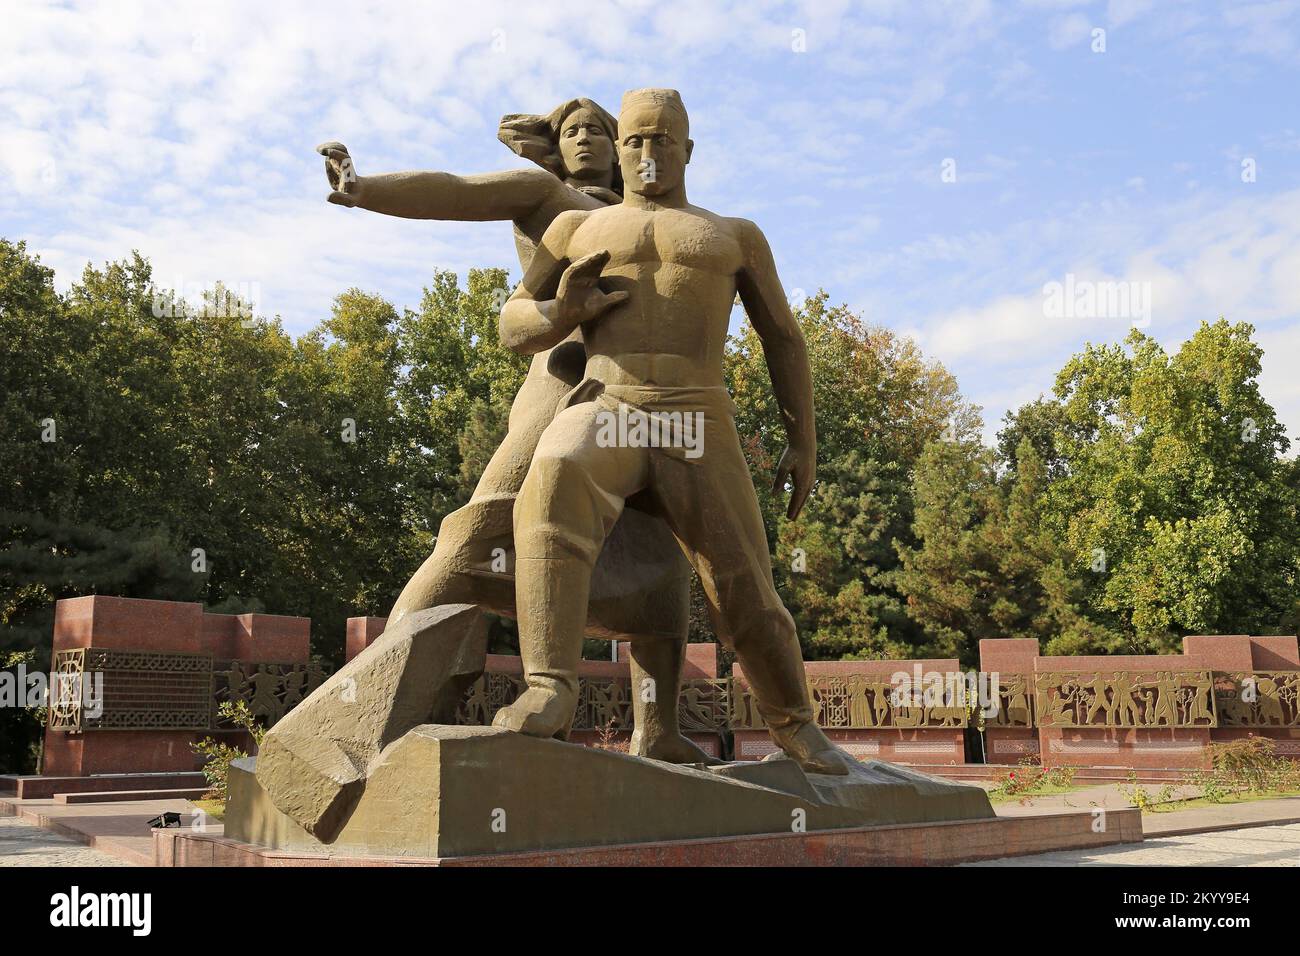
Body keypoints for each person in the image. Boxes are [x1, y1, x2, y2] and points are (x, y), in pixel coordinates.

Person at [495, 89, 854, 774]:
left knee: (742, 579)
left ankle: (797, 725)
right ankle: (548, 687)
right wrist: (557, 314)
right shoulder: (575, 229)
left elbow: (783, 337)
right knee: (556, 472)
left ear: (688, 150)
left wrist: (802, 440)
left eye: (662, 140)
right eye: (633, 141)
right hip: (611, 402)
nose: (647, 153)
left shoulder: (732, 235)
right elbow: (513, 321)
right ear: (618, 147)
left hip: (696, 415)